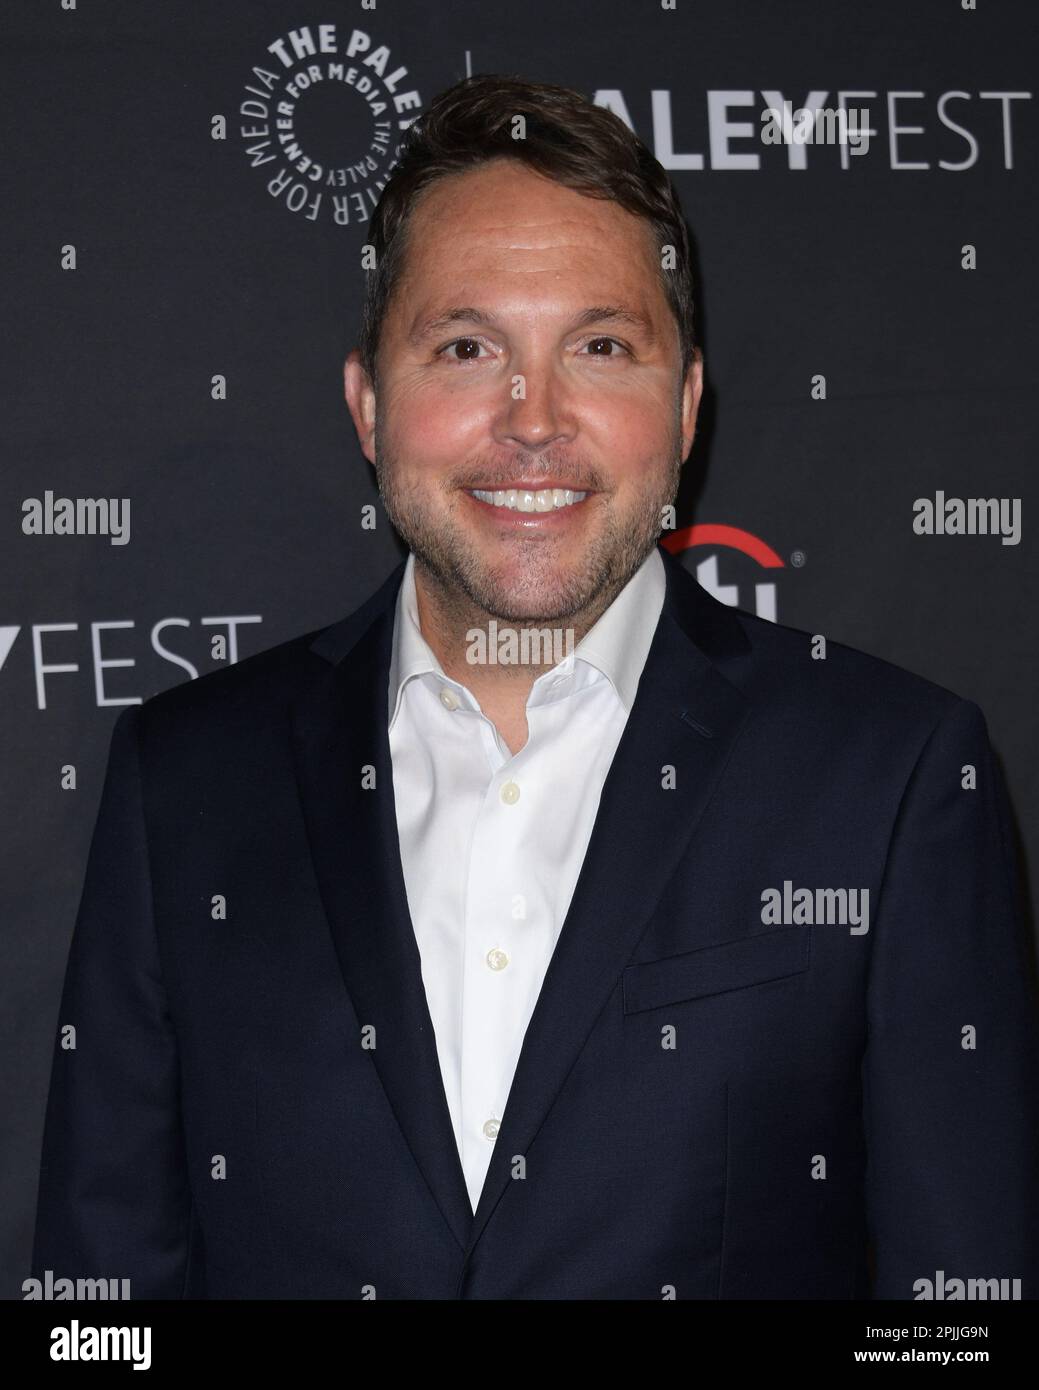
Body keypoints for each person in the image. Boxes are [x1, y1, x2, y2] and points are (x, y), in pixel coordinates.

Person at [32, 73, 1039, 1300]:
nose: (533, 419)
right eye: (466, 348)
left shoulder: (893, 778)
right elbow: (94, 1317)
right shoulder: (182, 781)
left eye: (600, 347)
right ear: (368, 403)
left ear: (682, 405)